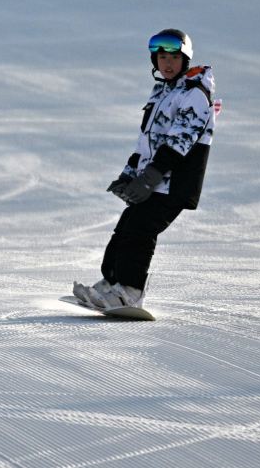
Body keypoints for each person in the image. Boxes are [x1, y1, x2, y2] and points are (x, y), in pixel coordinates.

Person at [73, 29, 217, 309]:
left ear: (185, 59)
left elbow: (180, 141)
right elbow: (146, 142)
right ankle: (112, 283)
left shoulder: (195, 94)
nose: (167, 64)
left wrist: (149, 178)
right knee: (126, 227)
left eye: (174, 57)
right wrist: (129, 175)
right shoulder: (163, 92)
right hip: (154, 180)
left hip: (174, 182)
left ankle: (130, 290)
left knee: (141, 230)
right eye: (162, 57)